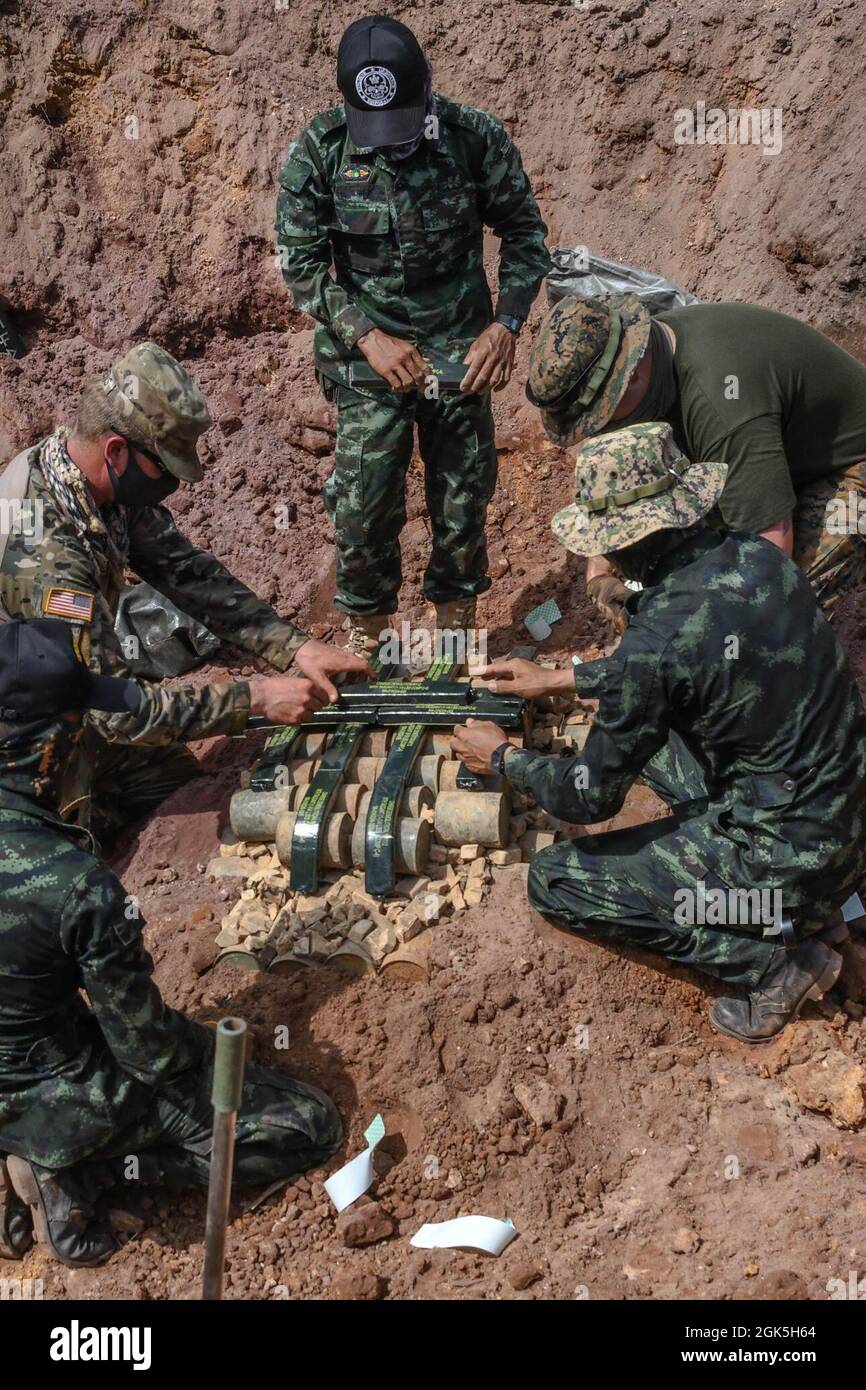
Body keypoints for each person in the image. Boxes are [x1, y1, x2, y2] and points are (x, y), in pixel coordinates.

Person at [452, 421, 866, 1042]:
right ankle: (811, 902)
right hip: (849, 813)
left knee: (557, 881)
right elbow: (690, 664)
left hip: (791, 861)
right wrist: (558, 678)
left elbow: (587, 798)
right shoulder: (759, 557)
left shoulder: (656, 640)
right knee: (656, 744)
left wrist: (506, 757)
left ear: (631, 541)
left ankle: (777, 961)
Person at [0, 617, 342, 1267]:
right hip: (41, 1089)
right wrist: (221, 1052)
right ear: (50, 750)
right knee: (306, 1127)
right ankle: (82, 1173)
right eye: (79, 731)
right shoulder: (73, 886)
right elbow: (151, 1054)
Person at [0, 342, 371, 840]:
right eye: (165, 468)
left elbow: (185, 573)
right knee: (70, 874)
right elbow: (108, 709)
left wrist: (293, 647)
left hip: (72, 691)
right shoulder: (45, 555)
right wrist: (254, 698)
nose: (173, 482)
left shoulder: (90, 479)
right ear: (116, 450)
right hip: (25, 733)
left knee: (177, 786)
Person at [276, 13, 551, 653]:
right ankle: (370, 641)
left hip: (462, 353)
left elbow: (525, 236)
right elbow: (301, 262)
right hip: (366, 364)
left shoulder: (473, 137)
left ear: (428, 85)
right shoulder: (319, 149)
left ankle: (453, 640)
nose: (389, 144)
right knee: (364, 507)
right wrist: (366, 335)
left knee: (462, 499)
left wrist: (506, 323)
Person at [526, 295, 866, 627]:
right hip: (773, 459)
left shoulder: (721, 406)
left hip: (849, 466)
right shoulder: (647, 361)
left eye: (597, 419)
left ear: (632, 378)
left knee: (769, 615)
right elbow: (618, 488)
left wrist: (691, 639)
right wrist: (601, 566)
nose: (597, 431)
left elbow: (769, 558)